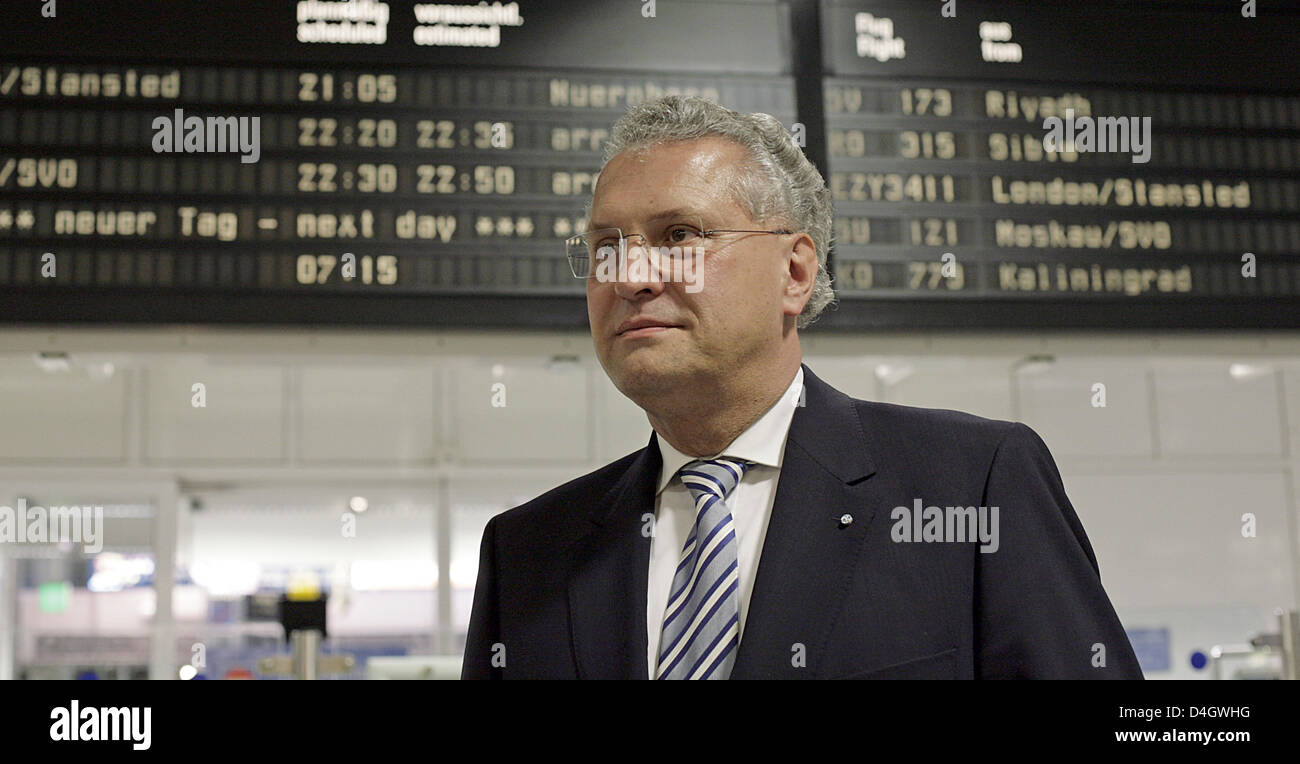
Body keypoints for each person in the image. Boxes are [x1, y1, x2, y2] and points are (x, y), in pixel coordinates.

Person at [461, 95, 1143, 680]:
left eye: (679, 236)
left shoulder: (972, 485)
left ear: (796, 272)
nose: (630, 275)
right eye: (606, 246)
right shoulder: (527, 555)